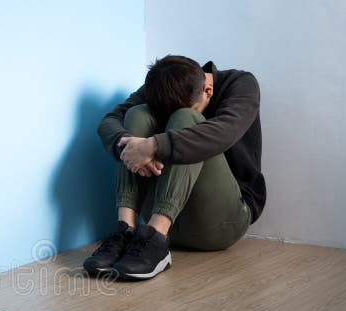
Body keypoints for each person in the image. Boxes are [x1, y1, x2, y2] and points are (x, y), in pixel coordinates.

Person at [83, 55, 266, 280]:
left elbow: (224, 132)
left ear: (209, 89)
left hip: (221, 222)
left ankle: (157, 240)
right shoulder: (164, 83)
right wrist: (129, 147)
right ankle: (126, 230)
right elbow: (109, 121)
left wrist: (153, 145)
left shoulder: (241, 84)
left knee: (186, 117)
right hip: (162, 216)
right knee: (137, 114)